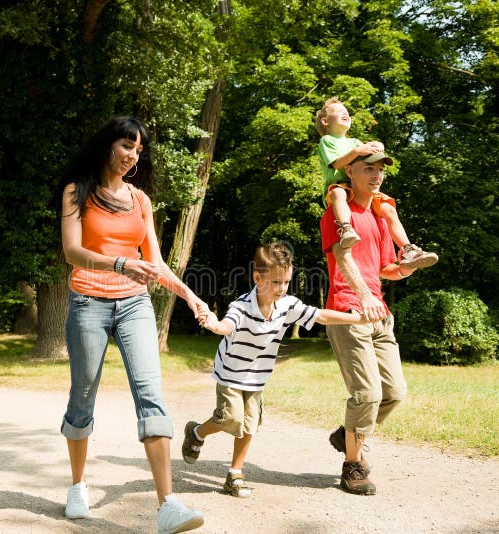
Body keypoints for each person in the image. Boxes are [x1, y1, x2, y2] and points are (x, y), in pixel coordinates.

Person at [59, 116, 206, 533]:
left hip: (134, 304)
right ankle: (78, 484)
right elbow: (72, 251)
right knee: (84, 391)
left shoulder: (140, 200)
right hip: (87, 300)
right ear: (108, 145)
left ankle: (168, 505)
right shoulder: (77, 191)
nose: (132, 156)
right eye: (127, 146)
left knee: (151, 392)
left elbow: (155, 263)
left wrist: (190, 297)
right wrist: (121, 262)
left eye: (138, 150)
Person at [181, 241, 371, 498]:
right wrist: (214, 325)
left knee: (249, 424)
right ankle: (196, 432)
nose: (281, 289)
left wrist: (358, 318)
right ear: (257, 278)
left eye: (286, 282)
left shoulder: (287, 305)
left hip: (257, 377)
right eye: (276, 282)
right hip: (231, 373)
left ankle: (235, 474)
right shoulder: (242, 306)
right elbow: (228, 325)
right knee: (230, 419)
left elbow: (321, 316)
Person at [319, 150, 411, 496]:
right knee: (367, 394)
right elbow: (342, 257)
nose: (377, 175)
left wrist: (406, 268)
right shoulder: (336, 213)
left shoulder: (378, 217)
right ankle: (352, 465)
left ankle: (347, 435)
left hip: (379, 315)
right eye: (368, 169)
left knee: (394, 393)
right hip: (348, 311)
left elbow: (386, 267)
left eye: (380, 170)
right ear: (351, 174)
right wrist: (363, 295)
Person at [315, 97, 438, 269]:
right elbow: (337, 163)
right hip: (340, 185)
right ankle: (345, 227)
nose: (346, 114)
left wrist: (376, 145)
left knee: (388, 208)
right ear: (325, 121)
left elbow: (368, 151)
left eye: (347, 112)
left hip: (358, 185)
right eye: (339, 111)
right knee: (338, 193)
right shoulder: (327, 141)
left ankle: (408, 249)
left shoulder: (354, 142)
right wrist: (358, 151)